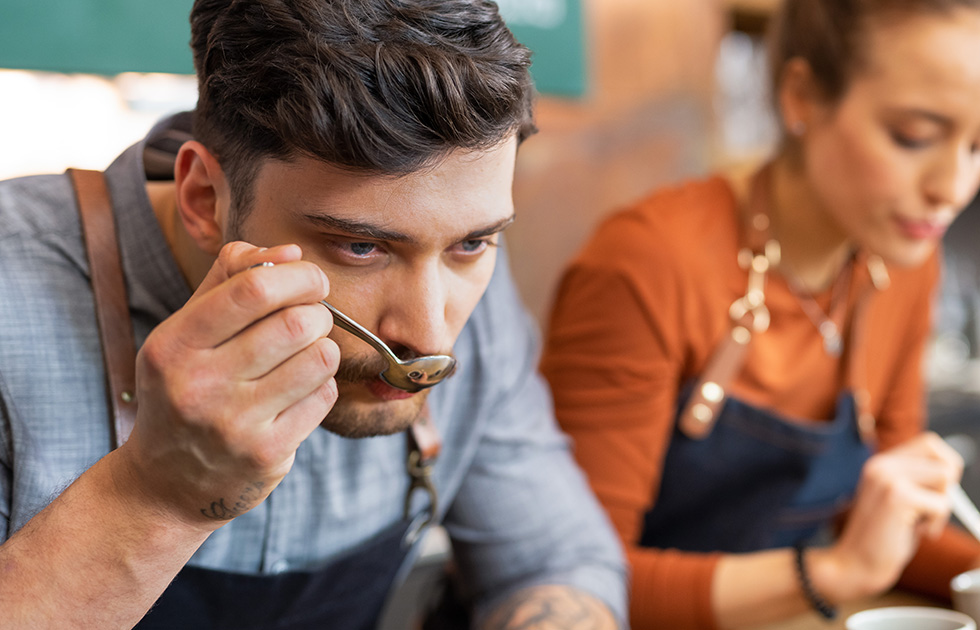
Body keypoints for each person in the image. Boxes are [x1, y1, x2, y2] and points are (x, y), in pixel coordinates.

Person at [0, 1, 626, 628]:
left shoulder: (455, 271)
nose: (430, 338)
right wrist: (154, 495)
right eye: (362, 247)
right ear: (202, 199)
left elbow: (555, 560)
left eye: (471, 243)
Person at [541, 1, 980, 629]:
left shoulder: (903, 263)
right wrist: (833, 572)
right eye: (915, 136)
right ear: (802, 97)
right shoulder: (649, 264)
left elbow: (894, 522)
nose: (953, 187)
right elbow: (566, 584)